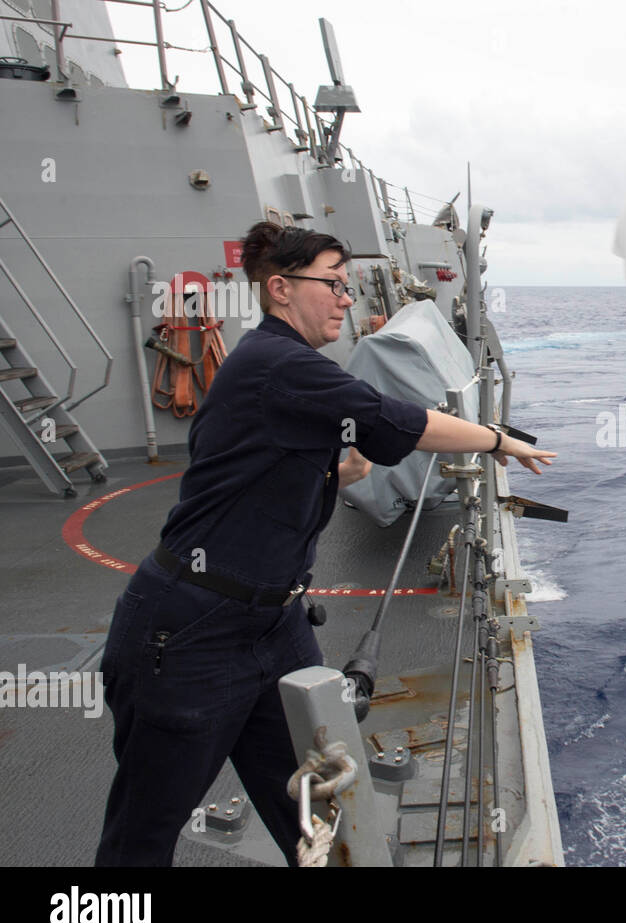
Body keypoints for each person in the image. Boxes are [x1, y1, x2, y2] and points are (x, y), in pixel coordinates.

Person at [94, 221, 555, 866]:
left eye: (345, 284)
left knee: (319, 810)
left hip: (274, 624)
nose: (346, 297)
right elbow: (403, 420)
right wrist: (500, 439)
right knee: (140, 834)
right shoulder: (276, 362)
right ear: (280, 289)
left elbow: (244, 464)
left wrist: (336, 466)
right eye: (333, 284)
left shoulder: (282, 368)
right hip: (192, 631)